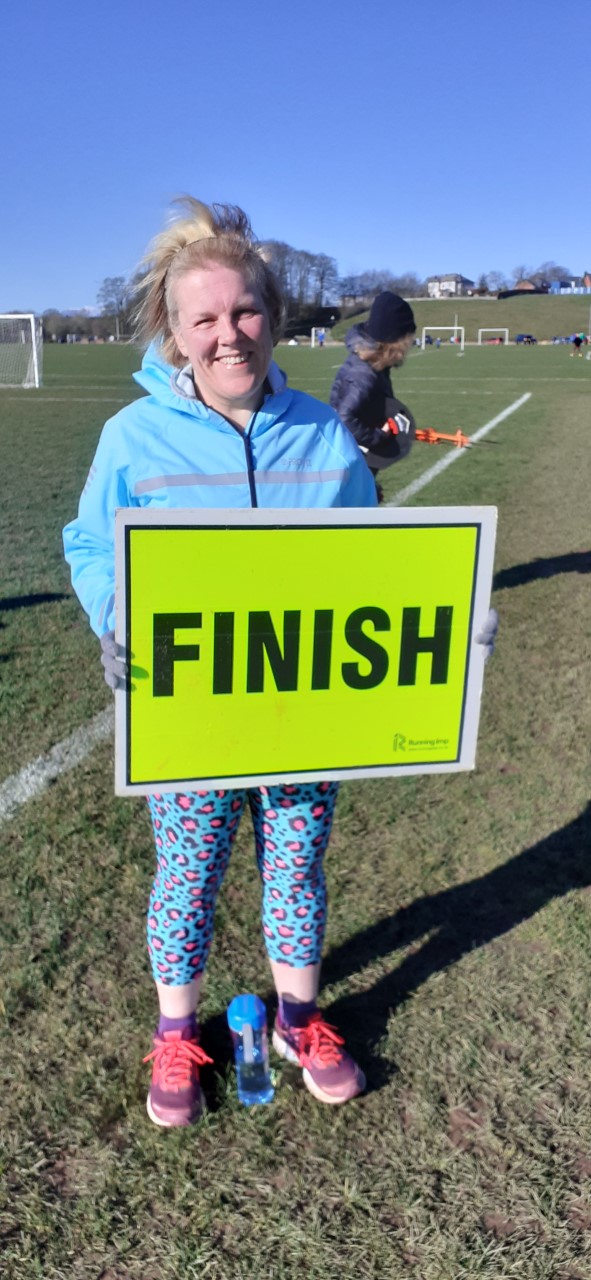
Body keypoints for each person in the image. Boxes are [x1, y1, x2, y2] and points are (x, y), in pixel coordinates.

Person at [62, 197, 379, 1128]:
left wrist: (441, 630)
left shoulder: (322, 432)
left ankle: (298, 1019)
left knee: (295, 867)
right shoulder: (132, 435)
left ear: (272, 317)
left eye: (244, 312)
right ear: (173, 329)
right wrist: (116, 618)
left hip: (301, 710)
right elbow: (89, 543)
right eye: (203, 318)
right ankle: (174, 1031)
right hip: (189, 711)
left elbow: (370, 558)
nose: (227, 334)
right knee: (188, 872)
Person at [329, 292, 417, 503]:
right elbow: (345, 418)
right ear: (394, 341)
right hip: (350, 463)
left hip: (357, 464)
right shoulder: (364, 375)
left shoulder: (373, 366)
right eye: (407, 339)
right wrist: (379, 436)